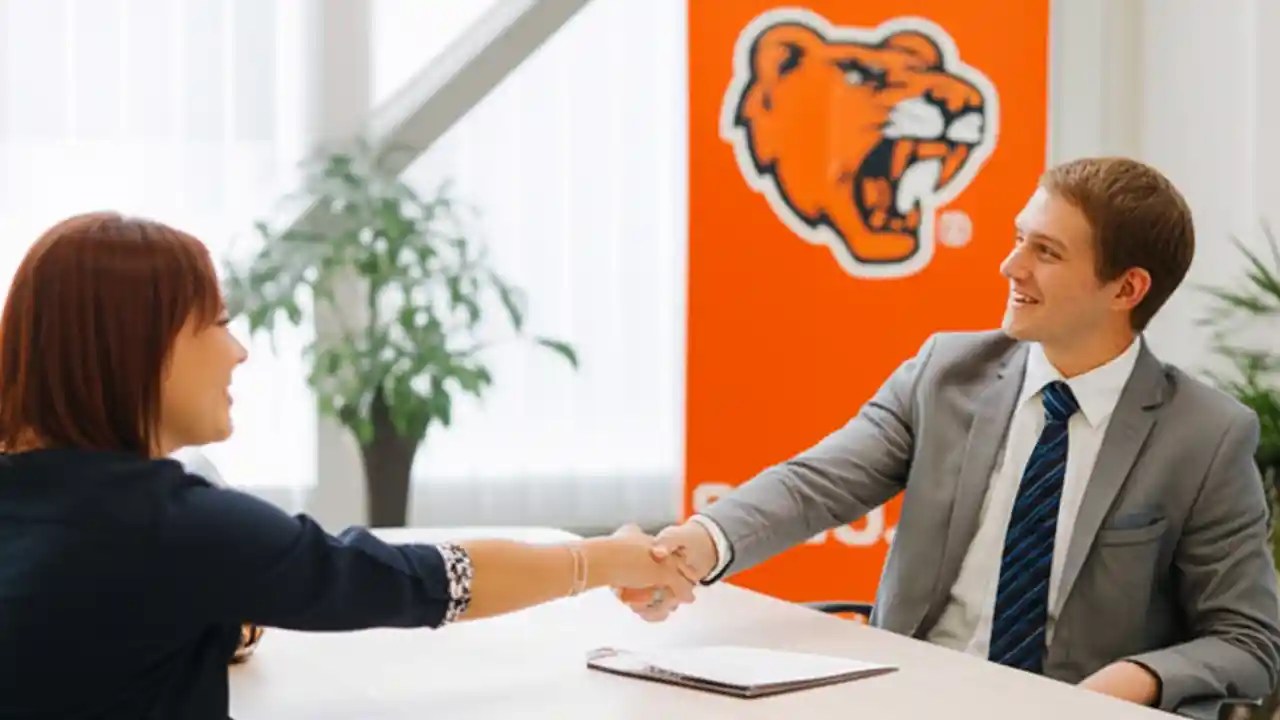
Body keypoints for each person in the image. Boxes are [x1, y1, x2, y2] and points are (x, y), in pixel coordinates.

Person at [615, 157, 1280, 713]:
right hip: (910, 696)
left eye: (1044, 252)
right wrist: (698, 545)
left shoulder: (1206, 435)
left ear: (1126, 288)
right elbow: (816, 483)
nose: (1010, 266)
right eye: (1020, 237)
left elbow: (1247, 641)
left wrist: (1134, 681)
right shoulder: (946, 373)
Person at [0, 212, 694, 720]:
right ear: (142, 348)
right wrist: (603, 560)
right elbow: (417, 581)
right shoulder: (171, 529)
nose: (238, 351)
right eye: (215, 321)